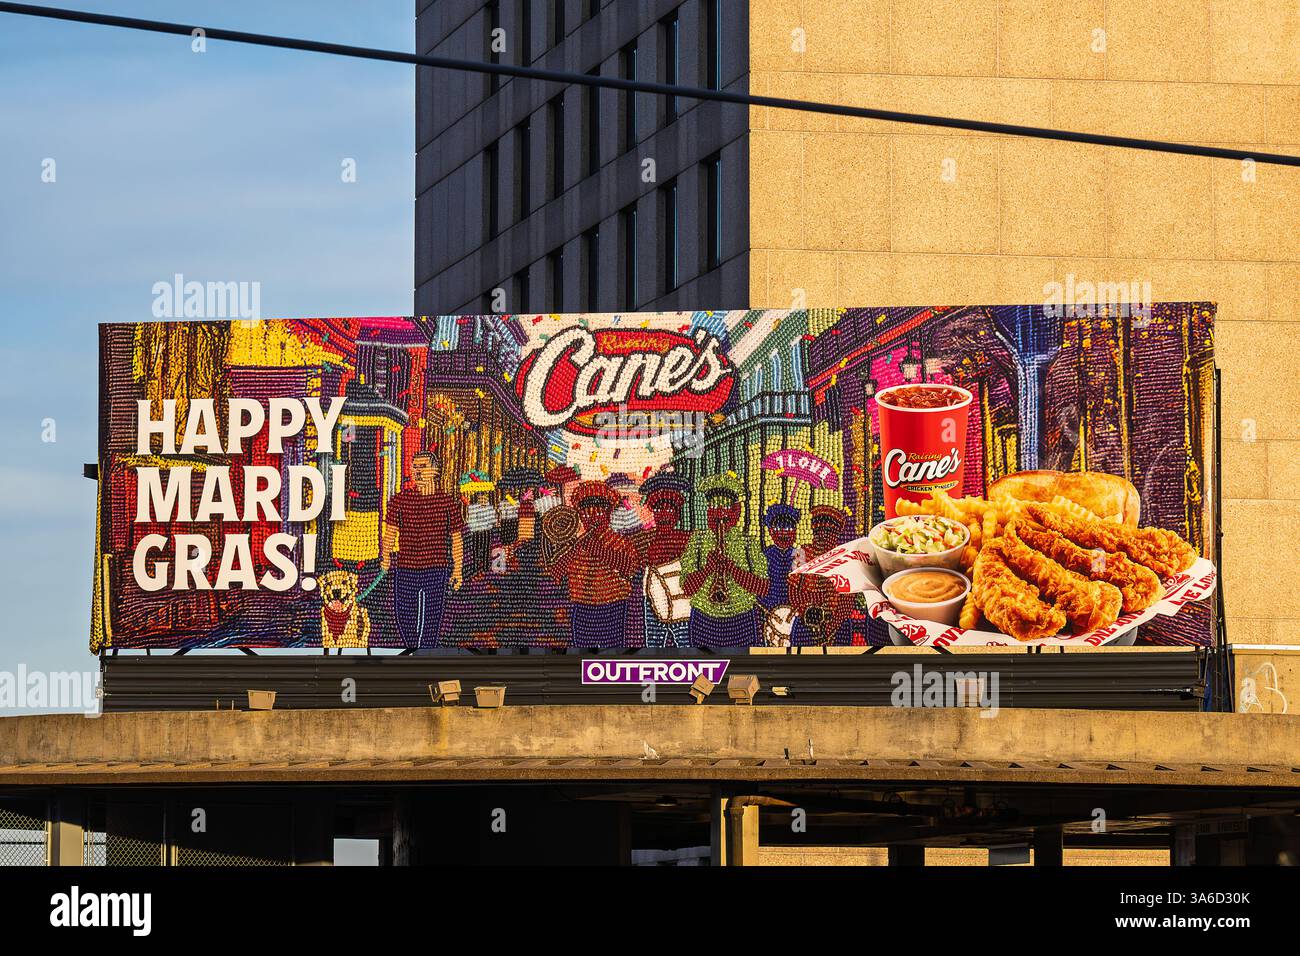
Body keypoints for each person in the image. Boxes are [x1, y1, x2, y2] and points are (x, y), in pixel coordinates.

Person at [381, 451, 465, 649]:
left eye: (423, 467)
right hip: (406, 567)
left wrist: (458, 570)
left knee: (433, 617)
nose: (417, 472)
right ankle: (411, 649)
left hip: (436, 567)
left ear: (435, 471)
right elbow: (390, 533)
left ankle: (426, 652)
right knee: (404, 614)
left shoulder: (446, 502)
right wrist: (385, 557)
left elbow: (456, 538)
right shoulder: (400, 500)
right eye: (415, 467)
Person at [548, 481, 641, 649]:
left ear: (608, 514)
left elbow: (630, 568)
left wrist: (600, 551)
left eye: (598, 514)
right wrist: (572, 551)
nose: (592, 519)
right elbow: (554, 573)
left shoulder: (619, 541)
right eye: (586, 515)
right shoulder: (577, 544)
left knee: (613, 651)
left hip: (613, 606)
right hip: (581, 607)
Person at [680, 473, 768, 649]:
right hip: (704, 620)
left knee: (742, 672)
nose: (720, 512)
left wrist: (733, 569)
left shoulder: (748, 543)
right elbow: (687, 588)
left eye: (726, 506)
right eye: (714, 506)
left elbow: (762, 588)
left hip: (741, 620)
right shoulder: (697, 541)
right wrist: (708, 569)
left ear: (735, 510)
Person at [636, 474, 691, 649]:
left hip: (682, 601)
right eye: (659, 509)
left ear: (677, 512)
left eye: (669, 509)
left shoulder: (687, 539)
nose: (664, 514)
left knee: (685, 644)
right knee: (653, 644)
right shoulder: (645, 540)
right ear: (653, 511)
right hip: (652, 598)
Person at [791, 504, 853, 646]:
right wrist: (807, 613)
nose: (823, 535)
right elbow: (793, 591)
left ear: (836, 533)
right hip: (804, 623)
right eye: (819, 530)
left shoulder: (844, 558)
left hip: (838, 627)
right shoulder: (802, 553)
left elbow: (848, 599)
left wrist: (831, 626)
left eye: (828, 531)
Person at [759, 503, 805, 613]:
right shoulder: (766, 554)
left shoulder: (798, 555)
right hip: (768, 607)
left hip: (792, 609)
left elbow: (801, 585)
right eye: (778, 527)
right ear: (770, 531)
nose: (784, 533)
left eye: (789, 528)